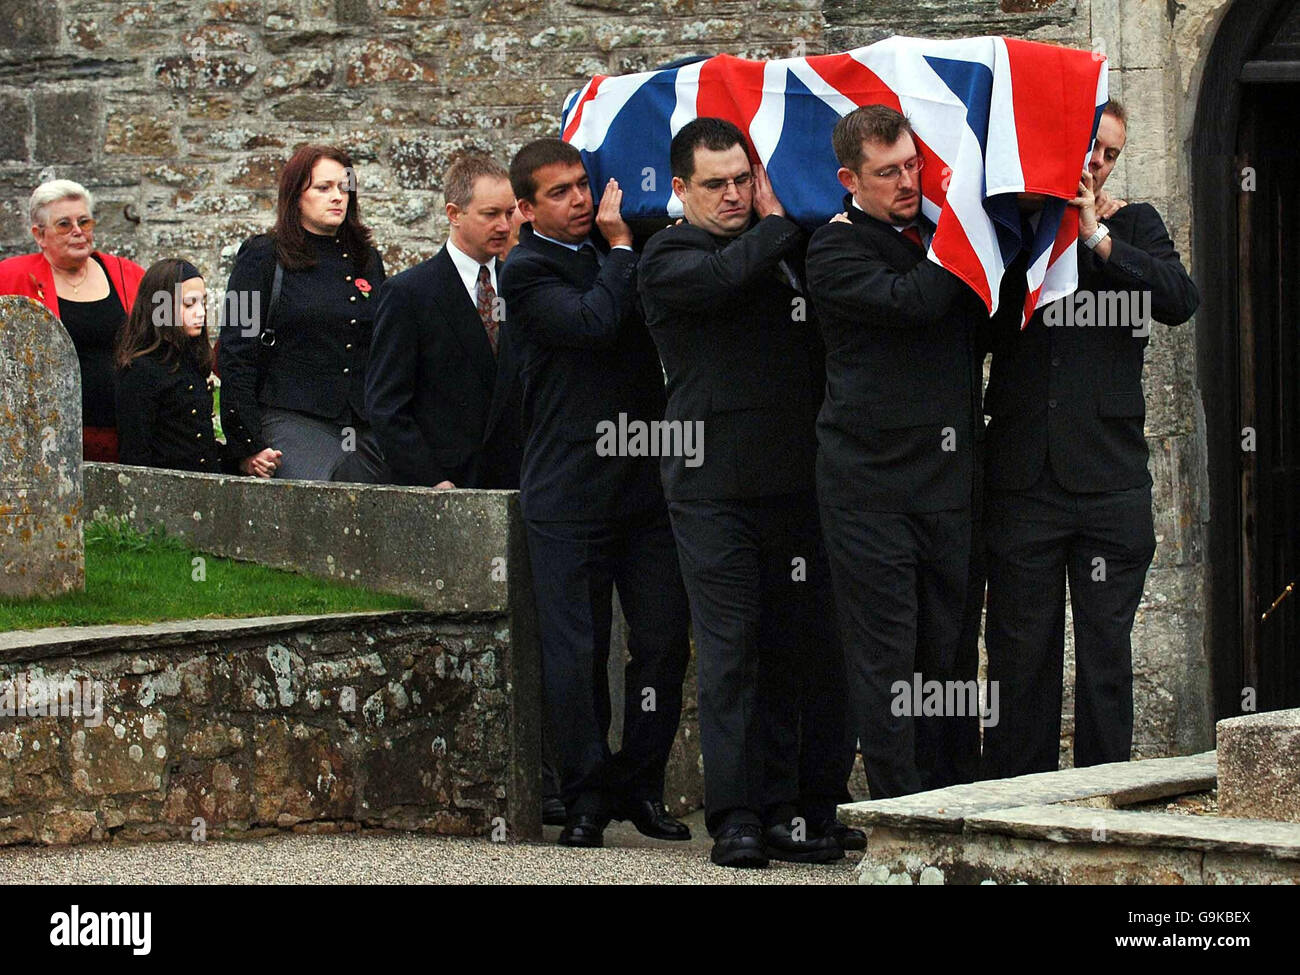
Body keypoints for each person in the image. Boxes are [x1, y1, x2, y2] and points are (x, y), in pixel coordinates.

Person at [638, 117, 857, 868]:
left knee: (800, 649)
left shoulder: (785, 251)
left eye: (742, 179)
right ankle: (735, 814)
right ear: (680, 189)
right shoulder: (669, 254)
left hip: (796, 483)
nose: (732, 195)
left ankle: (795, 808)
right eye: (715, 184)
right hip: (713, 489)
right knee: (732, 652)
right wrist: (779, 220)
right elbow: (724, 281)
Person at [981, 101, 1200, 777]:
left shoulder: (1135, 224)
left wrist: (1098, 237)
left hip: (1109, 482)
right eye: (1089, 146)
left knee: (1106, 656)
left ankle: (1107, 801)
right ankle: (1018, 801)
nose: (1097, 161)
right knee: (1020, 655)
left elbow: (1178, 298)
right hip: (1024, 480)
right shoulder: (1012, 228)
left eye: (1110, 152)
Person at [499, 138, 692, 849]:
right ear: (526, 208)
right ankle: (582, 795)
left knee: (665, 640)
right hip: (568, 489)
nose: (580, 199)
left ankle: (639, 781)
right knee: (575, 654)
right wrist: (618, 250)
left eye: (584, 184)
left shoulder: (630, 249)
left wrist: (632, 245)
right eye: (560, 192)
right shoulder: (525, 268)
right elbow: (590, 323)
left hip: (644, 487)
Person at [805, 105, 990, 800]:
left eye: (913, 164)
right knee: (890, 657)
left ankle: (953, 796)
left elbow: (982, 321)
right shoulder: (834, 247)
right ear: (851, 178)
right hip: (869, 487)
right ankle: (898, 814)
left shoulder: (935, 234)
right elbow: (911, 300)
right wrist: (967, 238)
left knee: (947, 653)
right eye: (889, 172)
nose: (908, 181)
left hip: (947, 481)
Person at [218, 145, 387, 482]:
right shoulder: (261, 256)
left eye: (344, 188)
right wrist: (248, 445)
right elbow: (236, 350)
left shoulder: (366, 259)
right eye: (323, 188)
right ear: (296, 195)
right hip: (290, 419)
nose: (338, 197)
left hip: (363, 425)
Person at [367, 155, 523, 489]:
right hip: (445, 489)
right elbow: (387, 405)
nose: (504, 226)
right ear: (454, 214)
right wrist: (432, 479)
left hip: (519, 485)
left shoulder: (519, 285)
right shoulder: (409, 293)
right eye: (490, 214)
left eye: (509, 213)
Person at [0, 179, 145, 462]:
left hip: (125, 434)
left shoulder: (129, 275)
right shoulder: (10, 277)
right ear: (39, 235)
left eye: (85, 222)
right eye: (64, 225)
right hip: (41, 443)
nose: (78, 232)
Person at [114, 259, 235, 474]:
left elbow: (198, 446)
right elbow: (136, 456)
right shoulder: (140, 371)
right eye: (189, 304)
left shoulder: (192, 361)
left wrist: (242, 461)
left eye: (202, 303)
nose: (200, 313)